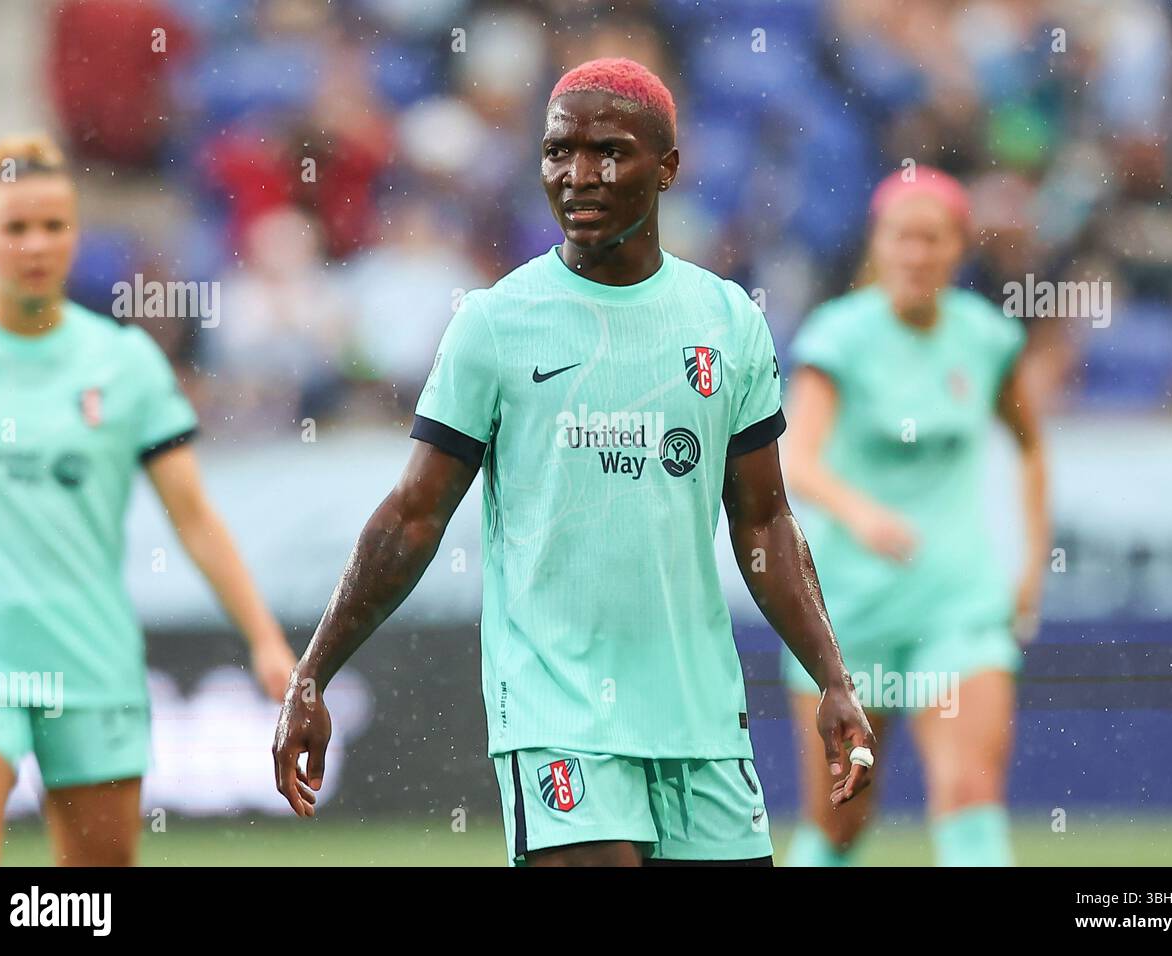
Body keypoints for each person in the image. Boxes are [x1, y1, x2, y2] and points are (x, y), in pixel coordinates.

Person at [273, 57, 874, 866]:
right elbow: (412, 517)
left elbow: (763, 518)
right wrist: (314, 673)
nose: (578, 176)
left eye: (610, 153)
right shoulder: (494, 323)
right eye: (560, 152)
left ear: (667, 170)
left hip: (699, 715)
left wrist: (832, 675)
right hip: (558, 715)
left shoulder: (728, 322)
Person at [0, 135, 296, 867]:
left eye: (53, 225)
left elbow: (195, 519)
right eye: (16, 227)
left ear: (76, 235)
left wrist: (266, 641)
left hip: (91, 658)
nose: (35, 243)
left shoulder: (124, 363)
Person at [780, 166, 1049, 866]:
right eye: (902, 238)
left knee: (968, 793)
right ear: (879, 244)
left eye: (933, 239)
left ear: (960, 247)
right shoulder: (837, 336)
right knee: (840, 821)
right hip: (845, 615)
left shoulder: (987, 339)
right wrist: (861, 514)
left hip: (955, 605)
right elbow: (797, 461)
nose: (916, 254)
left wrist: (1030, 567)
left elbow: (1030, 451)